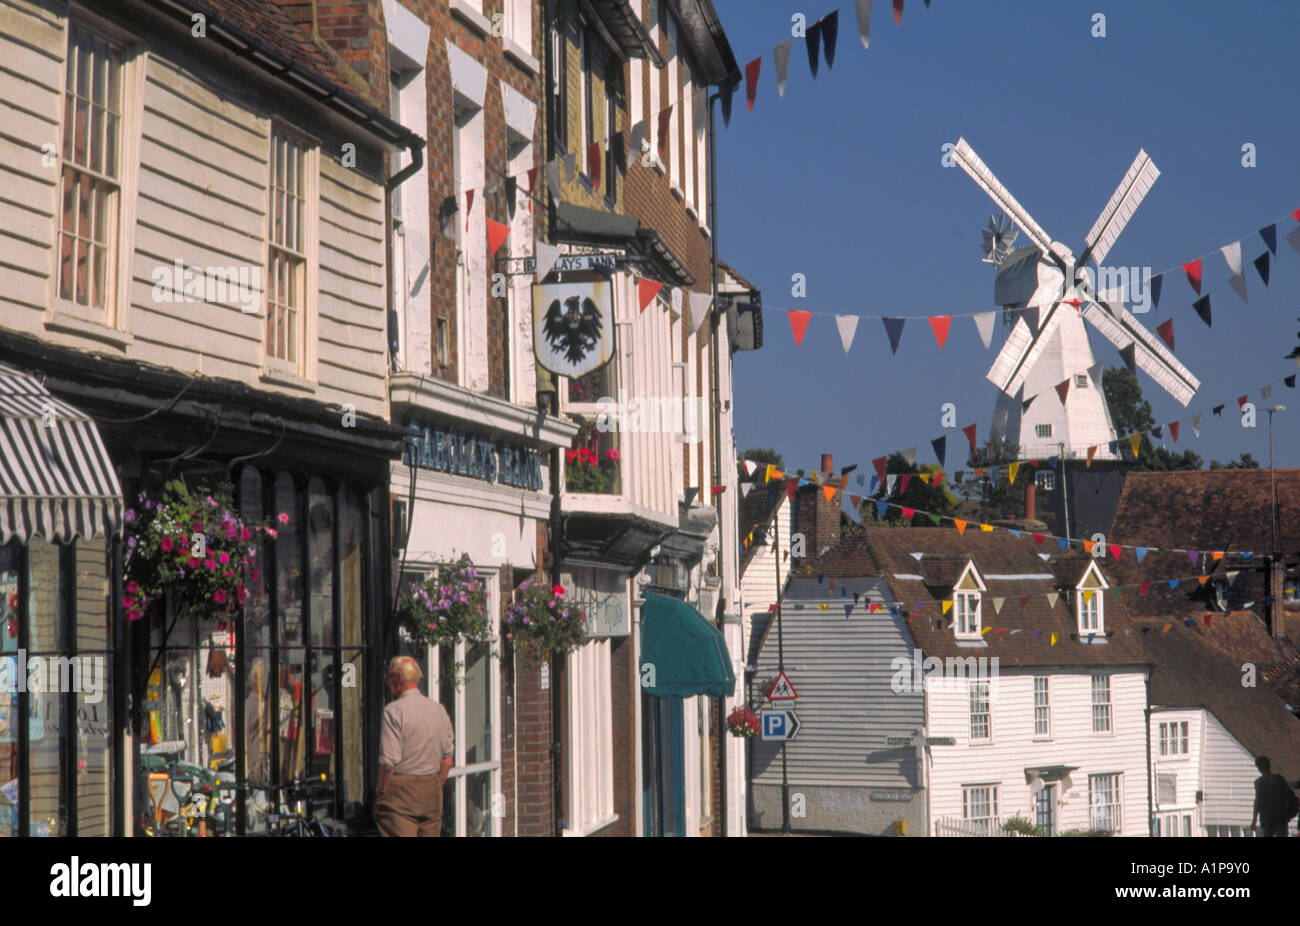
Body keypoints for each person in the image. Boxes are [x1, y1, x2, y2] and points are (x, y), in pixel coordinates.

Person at [375, 656, 453, 837]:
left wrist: (381, 793)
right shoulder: (439, 709)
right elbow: (447, 760)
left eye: (389, 677)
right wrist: (436, 786)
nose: (388, 682)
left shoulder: (393, 711)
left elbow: (388, 763)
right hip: (432, 792)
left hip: (401, 793)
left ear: (400, 678)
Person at [1251, 755, 1289, 837]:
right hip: (1281, 818)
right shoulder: (1279, 779)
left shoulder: (1259, 783)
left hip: (1267, 819)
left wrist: (1254, 821)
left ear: (1259, 768)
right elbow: (1286, 798)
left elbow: (1257, 802)